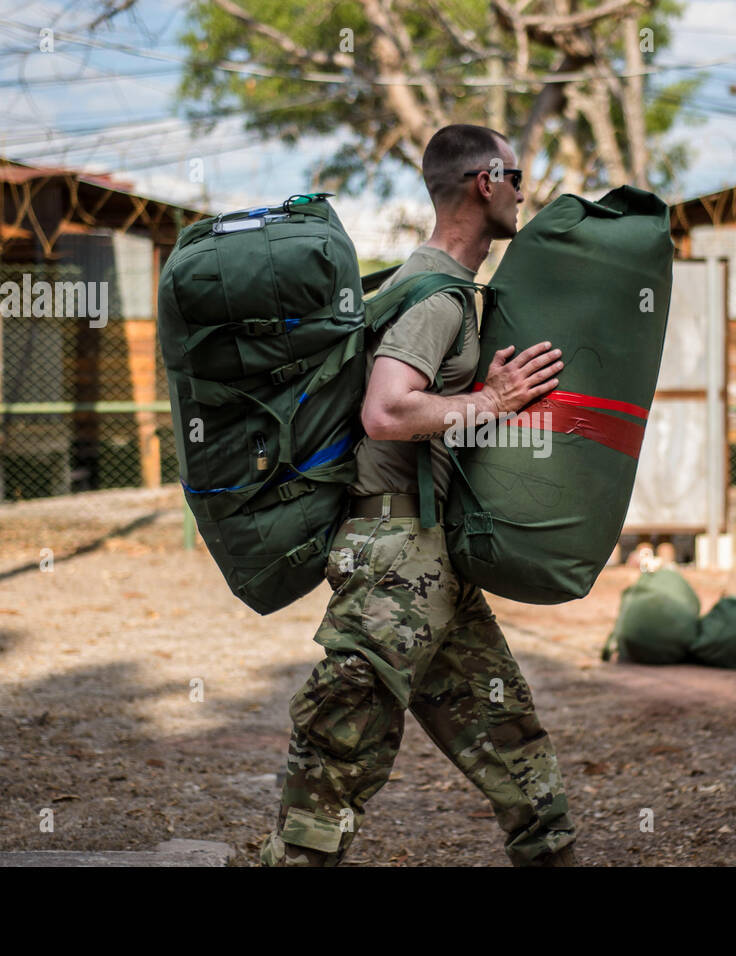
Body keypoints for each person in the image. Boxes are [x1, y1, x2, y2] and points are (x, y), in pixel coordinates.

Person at [260, 124, 579, 867]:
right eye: (517, 174)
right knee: (339, 757)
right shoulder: (435, 294)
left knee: (509, 740)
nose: (526, 188)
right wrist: (493, 401)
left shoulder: (438, 289)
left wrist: (475, 395)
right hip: (394, 566)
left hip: (428, 560)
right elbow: (386, 410)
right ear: (484, 182)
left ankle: (552, 850)